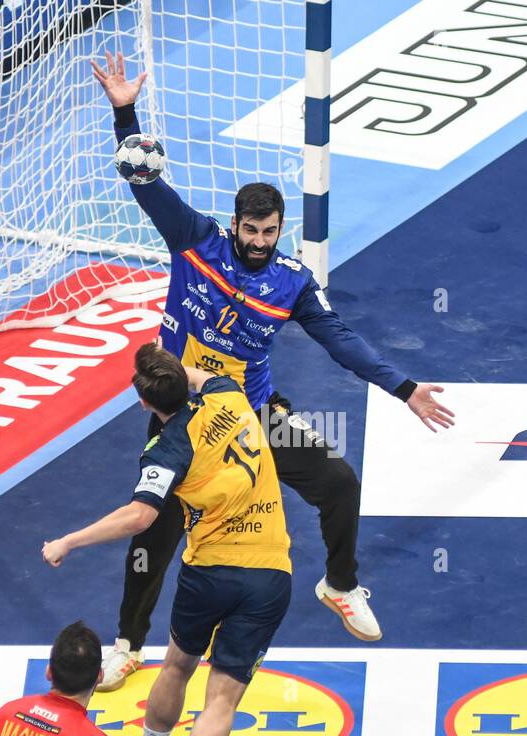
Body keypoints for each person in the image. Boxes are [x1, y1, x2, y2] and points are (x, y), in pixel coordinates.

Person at [89, 51, 456, 690]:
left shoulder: (291, 282)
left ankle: (339, 584)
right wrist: (125, 110)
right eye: (252, 230)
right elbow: (144, 181)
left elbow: (338, 339)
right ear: (235, 224)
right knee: (157, 521)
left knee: (338, 481)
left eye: (272, 231)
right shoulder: (193, 240)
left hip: (253, 416)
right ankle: (126, 643)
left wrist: (404, 388)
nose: (261, 241)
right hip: (180, 416)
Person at [42, 342, 292, 736]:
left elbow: (139, 517)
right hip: (268, 573)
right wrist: (170, 369)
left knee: (178, 666)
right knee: (223, 695)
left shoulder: (168, 448)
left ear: (144, 403)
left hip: (209, 574)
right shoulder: (229, 393)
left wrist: (68, 540)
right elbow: (195, 376)